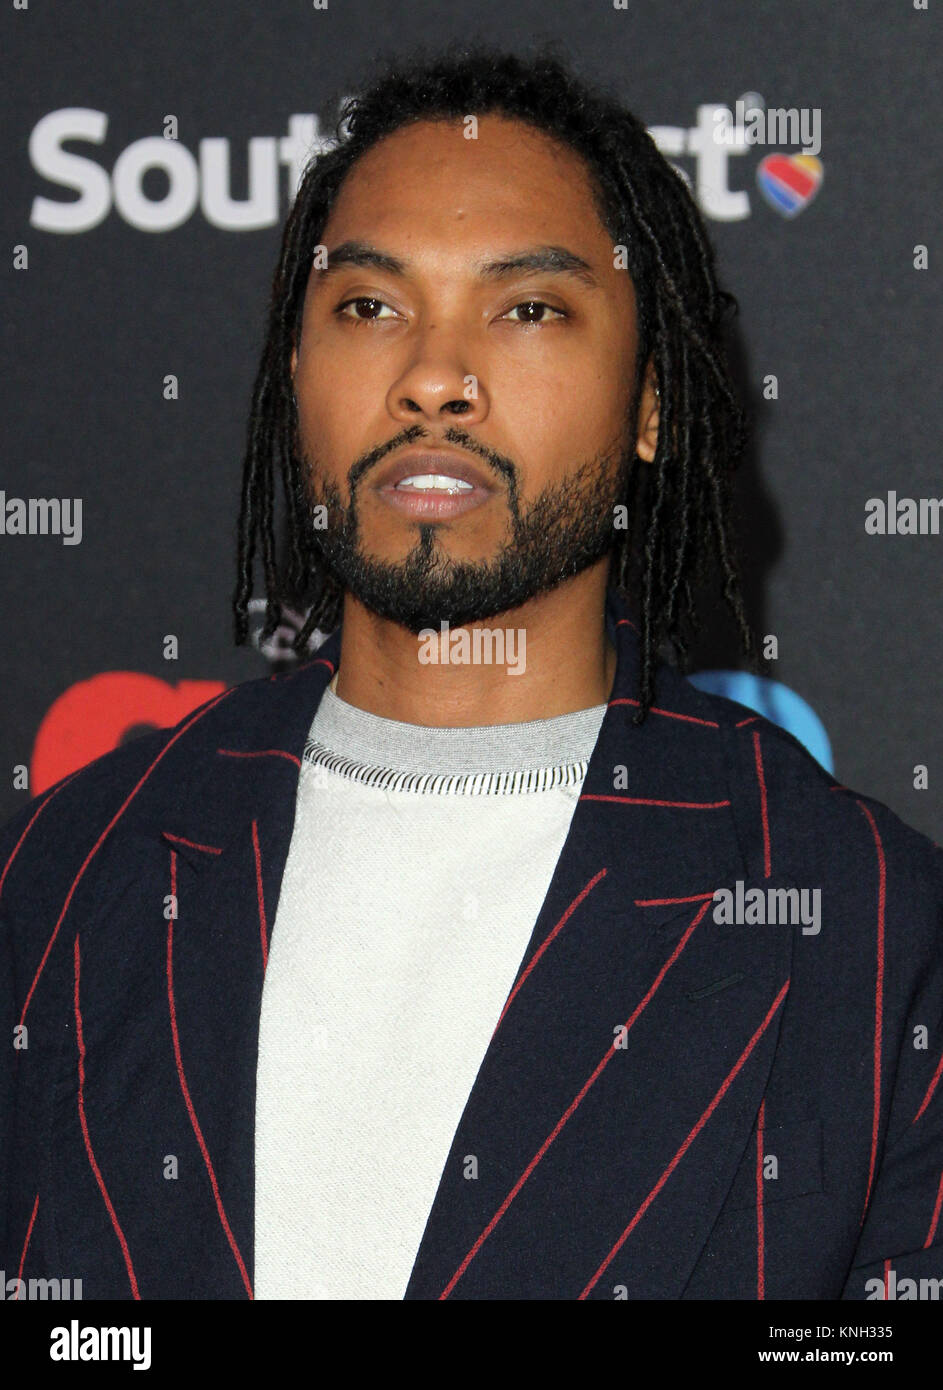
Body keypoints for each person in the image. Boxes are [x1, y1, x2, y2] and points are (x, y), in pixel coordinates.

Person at [2, 45, 941, 1302]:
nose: (432, 377)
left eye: (529, 307)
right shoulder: (65, 874)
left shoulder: (861, 921)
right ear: (295, 379)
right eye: (369, 307)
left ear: (652, 401)